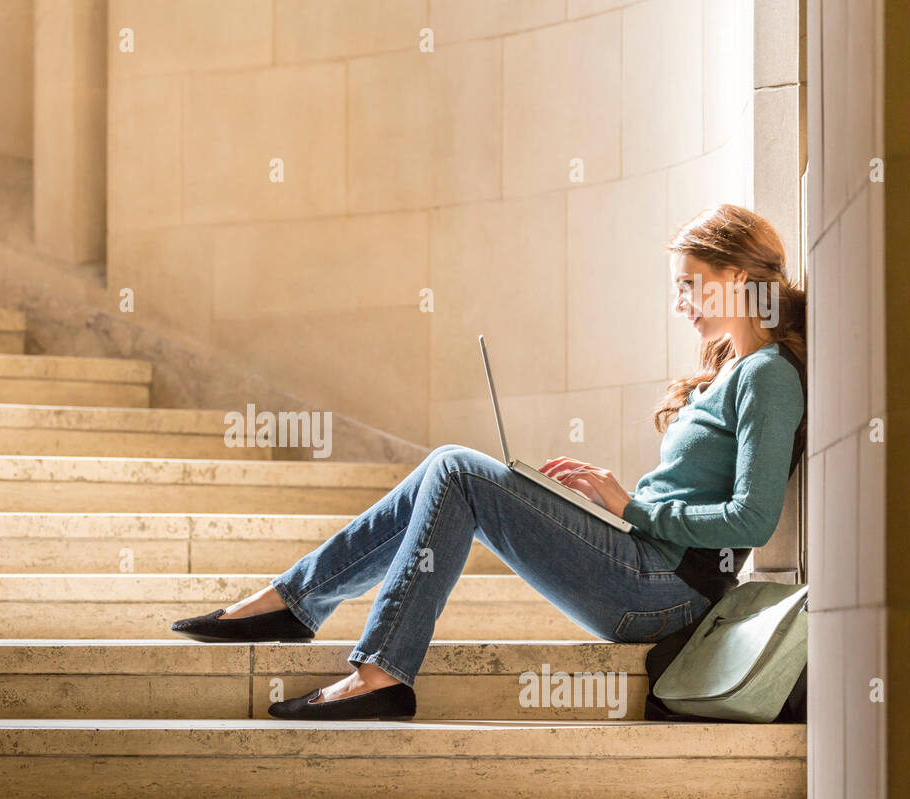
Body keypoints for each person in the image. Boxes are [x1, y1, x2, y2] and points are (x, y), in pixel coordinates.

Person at [171, 205, 807, 721]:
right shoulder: (728, 371)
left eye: (689, 286)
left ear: (738, 277)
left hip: (668, 593)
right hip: (640, 561)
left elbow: (750, 521)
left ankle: (373, 668)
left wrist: (630, 506)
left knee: (458, 473)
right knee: (449, 464)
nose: (680, 304)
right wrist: (610, 508)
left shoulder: (768, 377)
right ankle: (294, 601)